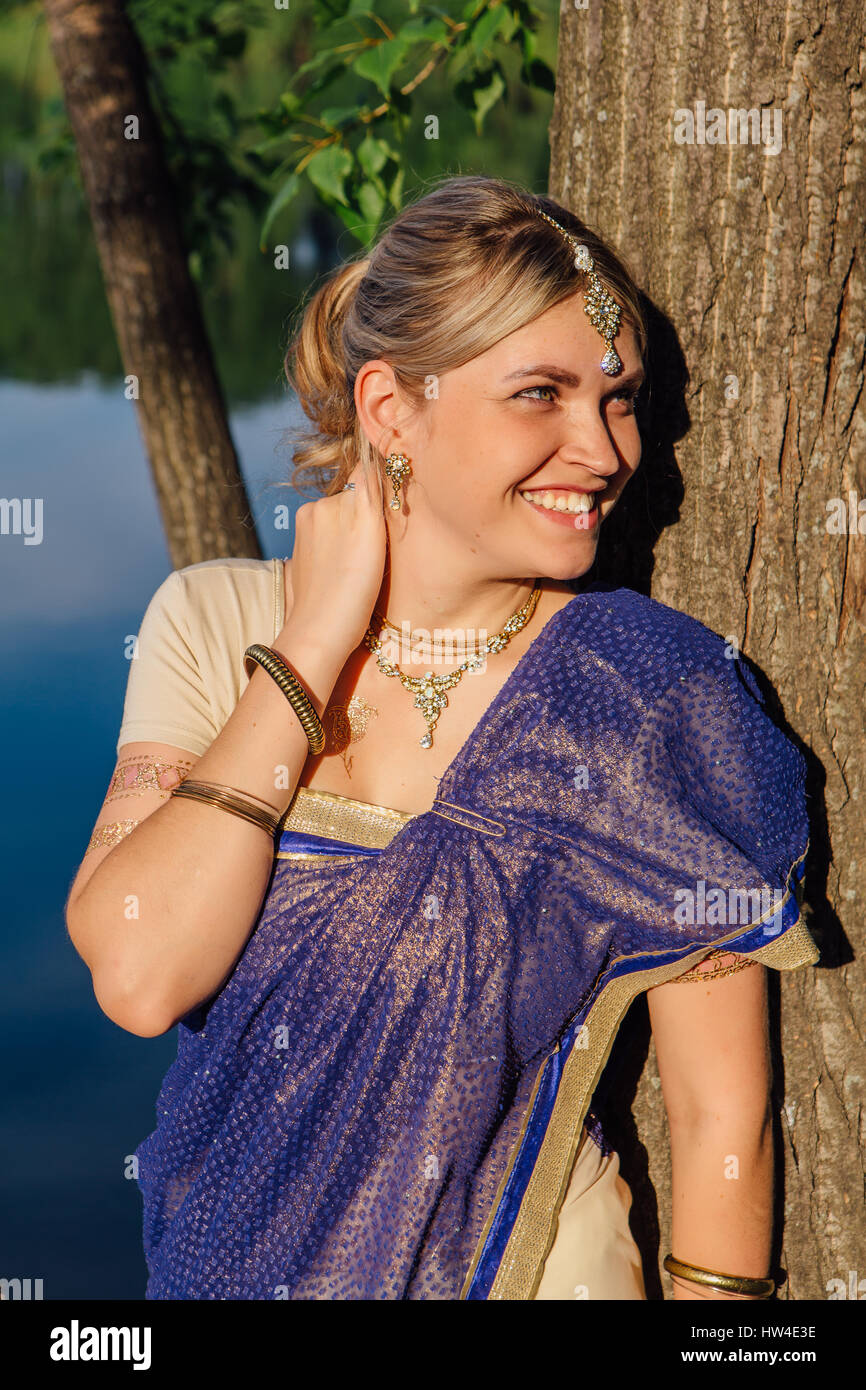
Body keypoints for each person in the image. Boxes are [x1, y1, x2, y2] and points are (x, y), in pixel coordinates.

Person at [65, 175, 818, 1301]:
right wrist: (313, 642)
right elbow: (138, 971)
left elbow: (726, 1115)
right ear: (388, 409)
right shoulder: (218, 619)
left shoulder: (645, 691)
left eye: (618, 400)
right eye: (539, 394)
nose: (603, 450)